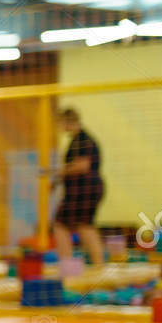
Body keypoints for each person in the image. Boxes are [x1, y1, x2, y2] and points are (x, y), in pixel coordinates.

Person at [51, 107, 105, 267]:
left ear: (67, 121)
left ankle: (70, 265)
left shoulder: (82, 140)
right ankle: (97, 264)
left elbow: (83, 165)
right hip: (83, 190)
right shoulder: (78, 139)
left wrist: (60, 172)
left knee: (64, 225)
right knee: (83, 225)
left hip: (84, 190)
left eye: (61, 123)